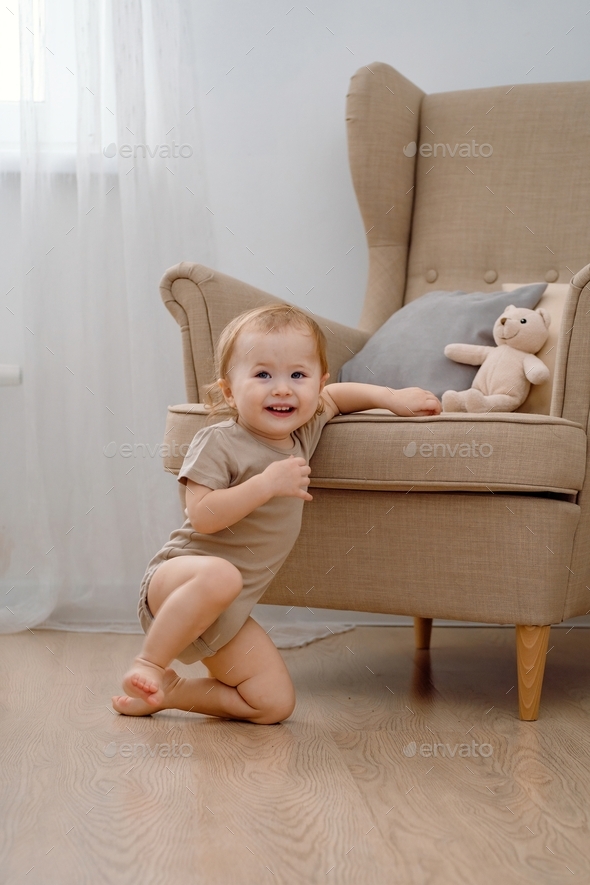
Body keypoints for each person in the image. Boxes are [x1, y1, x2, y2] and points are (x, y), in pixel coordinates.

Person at [112, 303, 441, 723]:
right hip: (178, 583)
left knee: (272, 705)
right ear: (229, 390)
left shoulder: (302, 429)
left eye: (297, 376)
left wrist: (392, 398)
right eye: (263, 375)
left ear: (317, 382)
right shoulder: (219, 441)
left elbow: (336, 398)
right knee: (222, 574)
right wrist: (265, 485)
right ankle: (149, 665)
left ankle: (170, 693)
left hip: (224, 616)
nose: (283, 389)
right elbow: (203, 516)